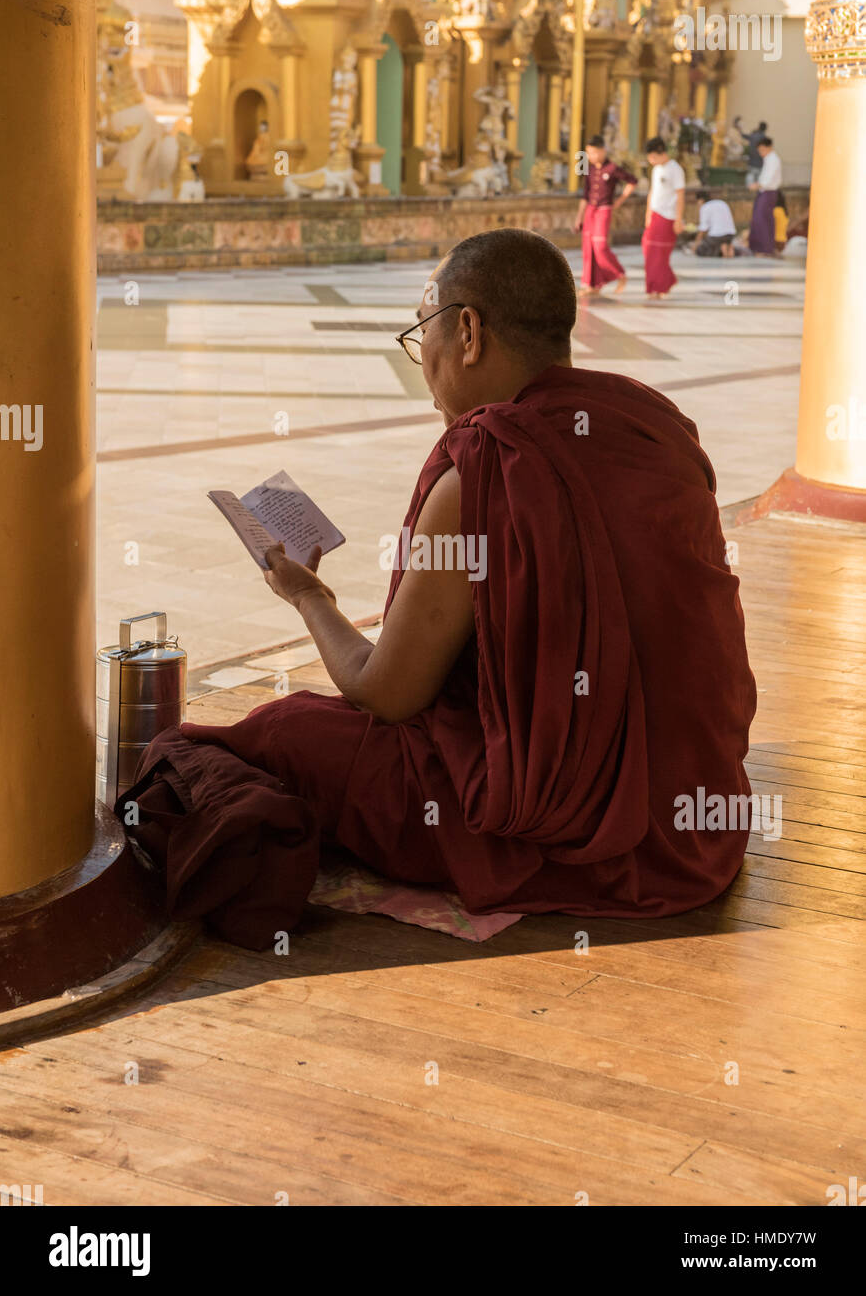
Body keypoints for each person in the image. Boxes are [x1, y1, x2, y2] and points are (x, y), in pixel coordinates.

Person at [118, 229, 757, 951]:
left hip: (550, 831)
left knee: (252, 734)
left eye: (423, 330)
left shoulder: (487, 469)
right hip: (696, 821)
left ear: (469, 332)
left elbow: (385, 694)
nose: (422, 358)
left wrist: (306, 597)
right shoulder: (655, 430)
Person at [574, 136, 636, 296]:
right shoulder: (588, 168)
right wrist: (578, 217)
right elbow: (585, 195)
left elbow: (632, 181)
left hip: (604, 210)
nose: (591, 156)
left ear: (603, 150)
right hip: (590, 210)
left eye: (594, 152)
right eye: (588, 153)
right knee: (588, 247)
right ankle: (591, 285)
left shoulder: (613, 168)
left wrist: (620, 201)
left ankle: (619, 274)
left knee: (600, 246)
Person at [642, 136, 686, 298]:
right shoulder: (656, 170)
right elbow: (652, 192)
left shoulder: (675, 170)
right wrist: (648, 214)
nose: (650, 160)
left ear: (661, 152)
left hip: (668, 216)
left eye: (652, 156)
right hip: (655, 214)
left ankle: (659, 288)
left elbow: (680, 195)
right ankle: (665, 281)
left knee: (659, 253)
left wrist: (678, 219)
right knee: (648, 249)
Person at [748, 136, 783, 256]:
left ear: (769, 147)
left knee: (762, 220)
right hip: (764, 192)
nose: (761, 153)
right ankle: (759, 247)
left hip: (768, 192)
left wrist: (757, 185)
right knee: (759, 219)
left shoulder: (773, 159)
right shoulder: (768, 159)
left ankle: (765, 248)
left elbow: (768, 180)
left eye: (762, 150)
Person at [692, 189, 737, 258]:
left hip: (717, 237)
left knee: (700, 250)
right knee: (715, 243)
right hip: (730, 235)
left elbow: (703, 229)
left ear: (701, 200)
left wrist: (695, 246)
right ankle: (726, 246)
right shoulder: (722, 203)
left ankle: (721, 249)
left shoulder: (705, 207)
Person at [745, 120, 768, 184]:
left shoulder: (753, 135)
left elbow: (746, 136)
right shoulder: (764, 138)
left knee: (750, 177)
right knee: (758, 179)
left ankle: (749, 189)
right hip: (759, 162)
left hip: (751, 160)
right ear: (765, 128)